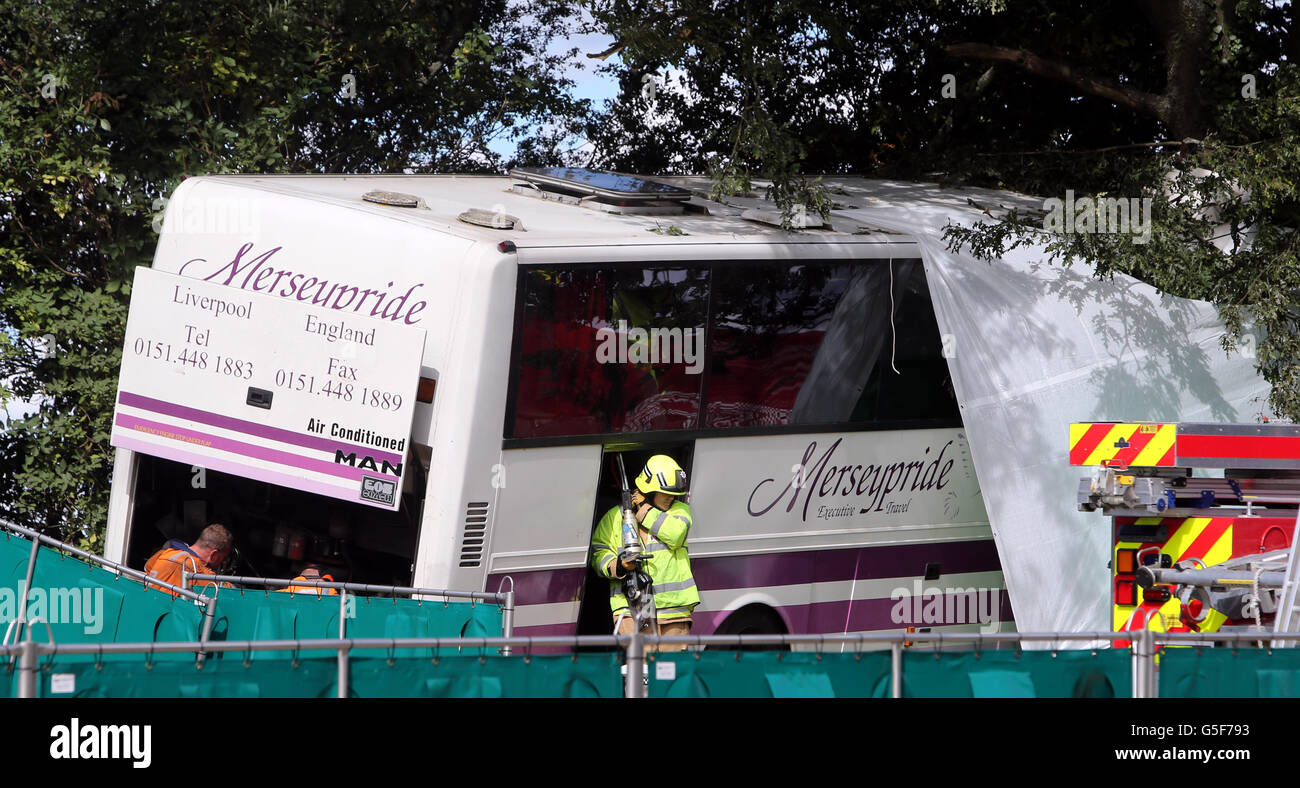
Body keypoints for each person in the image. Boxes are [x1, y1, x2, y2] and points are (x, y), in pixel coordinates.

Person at [590, 454, 699, 651]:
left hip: (672, 610)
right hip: (631, 607)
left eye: (674, 493)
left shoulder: (680, 512)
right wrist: (619, 565)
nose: (671, 498)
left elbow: (675, 534)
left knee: (671, 672)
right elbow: (598, 553)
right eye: (665, 492)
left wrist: (644, 509)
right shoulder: (616, 517)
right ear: (648, 491)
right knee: (642, 674)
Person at [143, 523, 234, 597]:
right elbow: (224, 590)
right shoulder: (194, 568)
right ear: (214, 554)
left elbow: (147, 567)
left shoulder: (165, 553)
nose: (221, 562)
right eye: (223, 558)